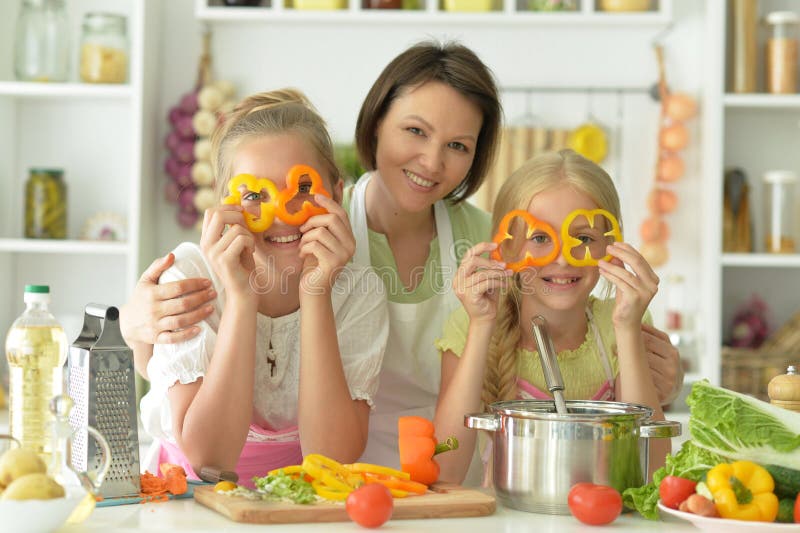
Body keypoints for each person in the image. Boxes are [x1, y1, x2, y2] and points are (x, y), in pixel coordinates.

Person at [121, 41, 683, 480]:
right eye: (414, 131)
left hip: (427, 475)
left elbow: (550, 333)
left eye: (459, 146)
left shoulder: (493, 245)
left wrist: (656, 371)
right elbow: (192, 364)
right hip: (330, 476)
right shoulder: (315, 233)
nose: (431, 161)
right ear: (375, 125)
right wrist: (136, 324)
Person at [137, 89, 388, 487]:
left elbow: (332, 457)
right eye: (254, 195)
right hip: (186, 501)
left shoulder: (360, 292)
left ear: (337, 195)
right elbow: (210, 459)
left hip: (296, 502)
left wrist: (316, 293)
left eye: (302, 190)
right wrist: (240, 299)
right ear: (224, 204)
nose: (281, 215)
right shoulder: (189, 276)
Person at [433, 149, 670, 484]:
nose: (562, 258)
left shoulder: (620, 325)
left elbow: (654, 471)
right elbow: (445, 466)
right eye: (540, 237)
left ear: (610, 247)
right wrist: (481, 327)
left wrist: (629, 329)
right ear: (508, 246)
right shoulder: (470, 324)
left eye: (583, 238)